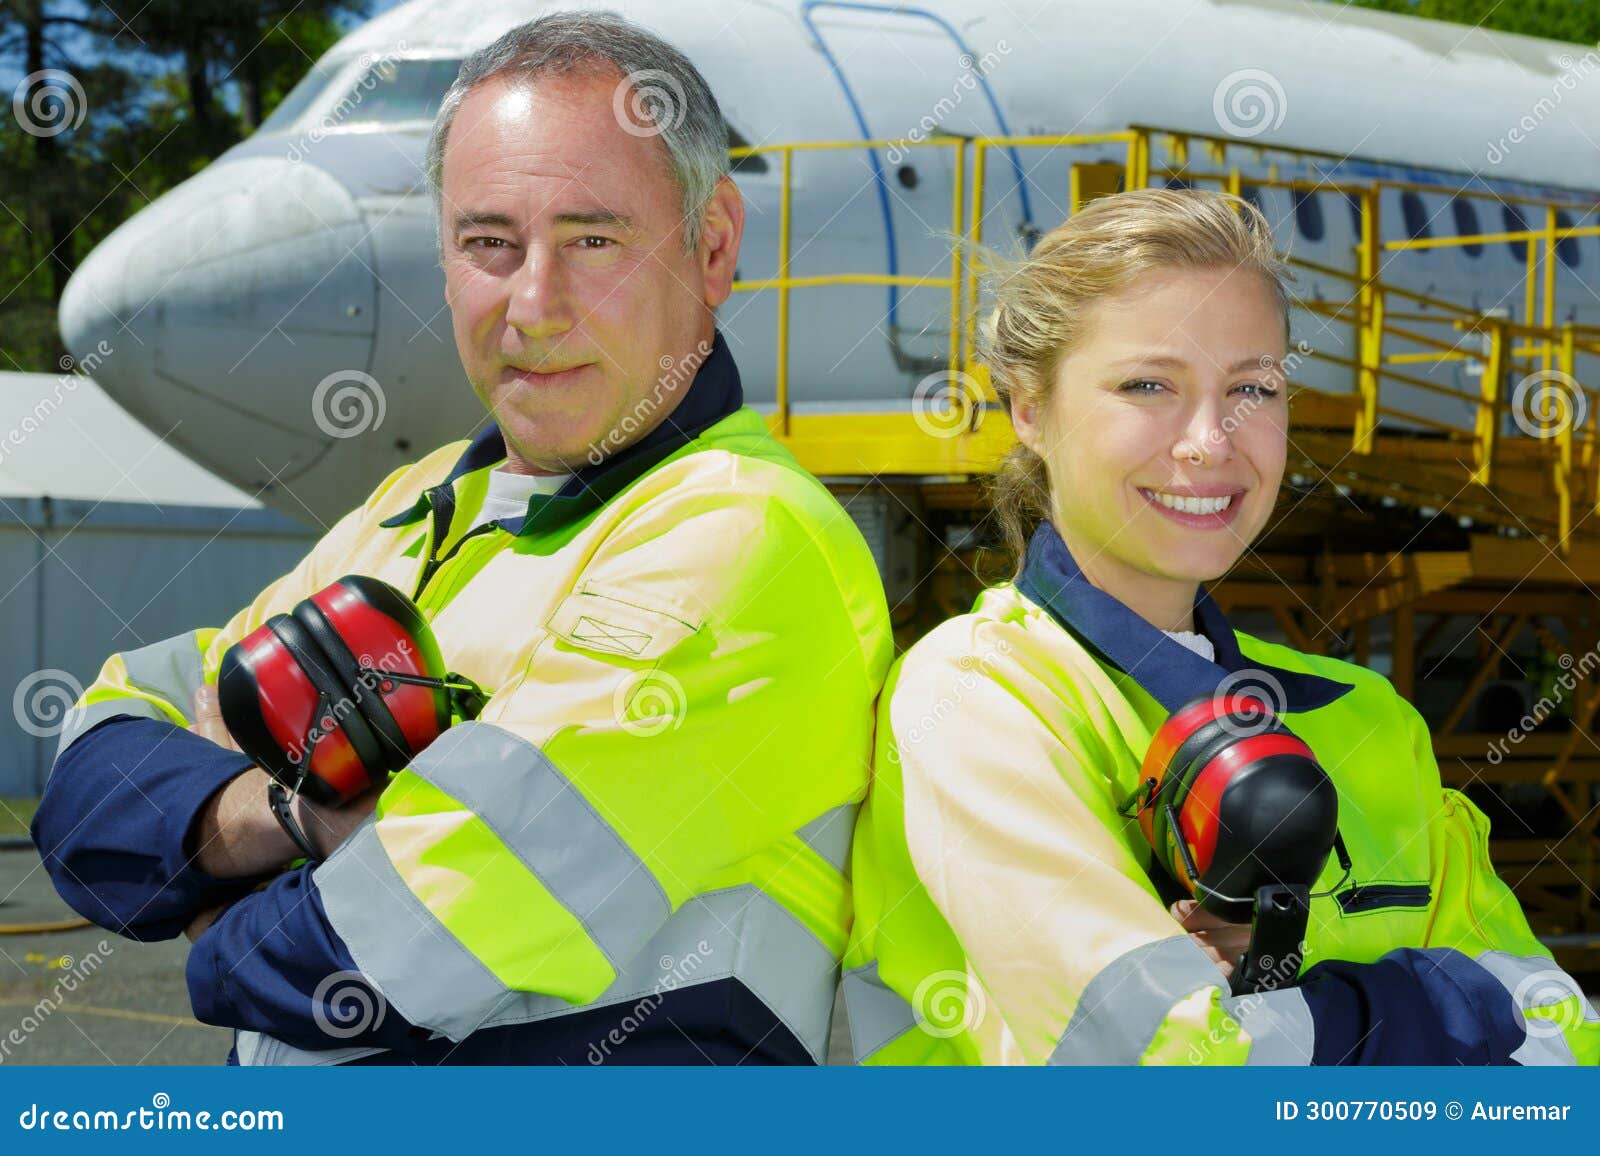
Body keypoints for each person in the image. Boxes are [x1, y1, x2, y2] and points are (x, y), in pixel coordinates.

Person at [34, 11, 891, 1066]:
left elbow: (376, 951)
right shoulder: (412, 506)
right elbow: (87, 778)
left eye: (593, 240)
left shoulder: (745, 537)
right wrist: (298, 820)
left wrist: (207, 890)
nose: (535, 304)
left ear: (712, 246)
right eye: (489, 242)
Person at [842, 187, 1599, 1066]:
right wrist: (1439, 1007)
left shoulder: (1367, 717)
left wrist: (1294, 1019)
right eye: (1147, 385)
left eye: (1253, 387)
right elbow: (1176, 1069)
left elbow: (1566, 1044)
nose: (1210, 440)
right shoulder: (980, 697)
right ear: (1029, 409)